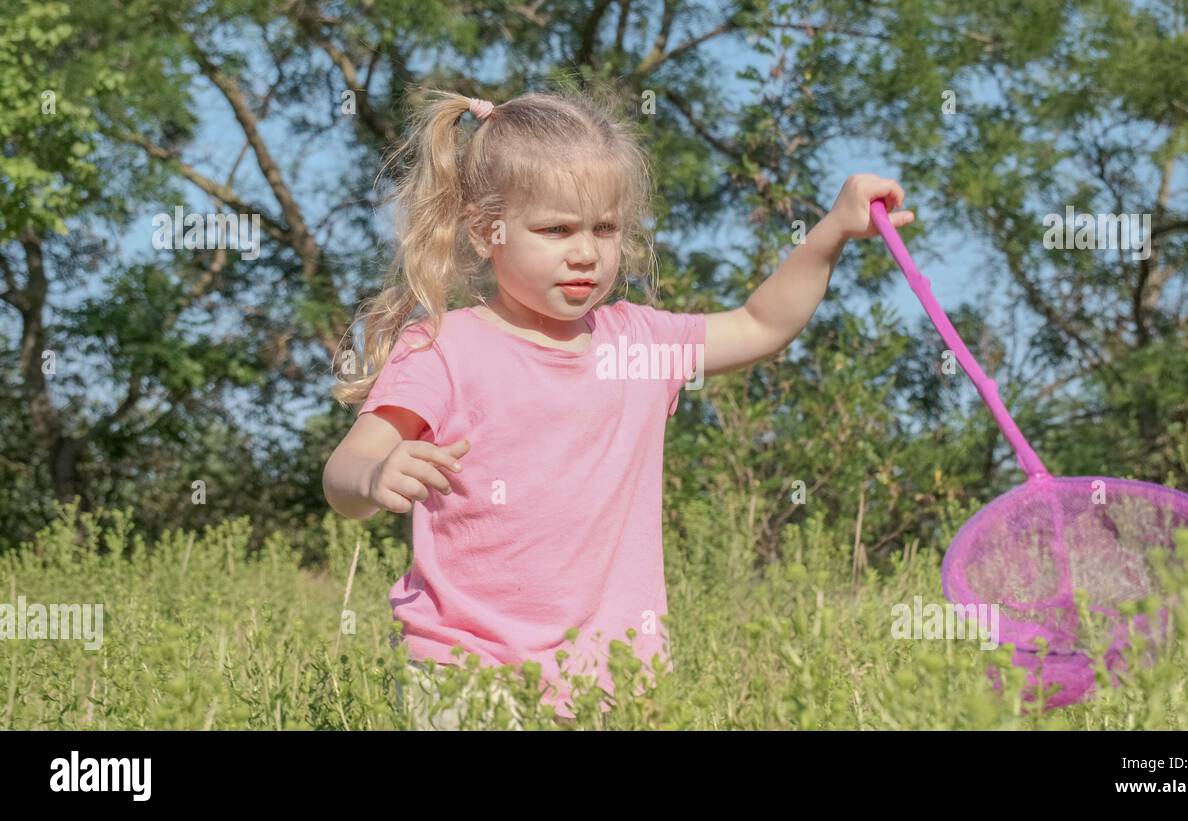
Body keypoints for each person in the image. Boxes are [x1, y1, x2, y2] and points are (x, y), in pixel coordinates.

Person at [322, 84, 913, 729]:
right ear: (484, 229)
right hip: (465, 669)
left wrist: (829, 232)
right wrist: (376, 476)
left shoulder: (639, 343)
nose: (585, 251)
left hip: (614, 676)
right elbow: (345, 474)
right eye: (556, 229)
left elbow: (759, 325)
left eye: (604, 228)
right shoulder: (446, 347)